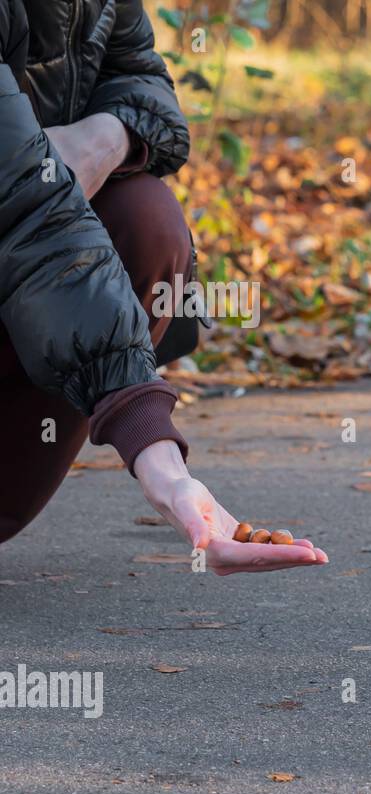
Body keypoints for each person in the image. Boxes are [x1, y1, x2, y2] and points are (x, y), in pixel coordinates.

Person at [0, 0, 326, 573]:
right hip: (30, 241)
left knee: (143, 218)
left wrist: (105, 137)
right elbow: (36, 220)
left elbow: (143, 79)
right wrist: (158, 459)